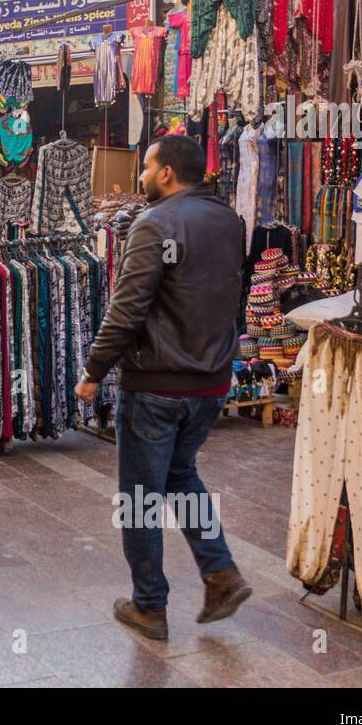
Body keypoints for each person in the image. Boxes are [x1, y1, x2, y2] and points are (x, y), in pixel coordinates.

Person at [74, 135, 249, 642]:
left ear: (168, 172)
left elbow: (126, 310)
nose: (141, 176)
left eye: (147, 167)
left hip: (158, 386)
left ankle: (150, 605)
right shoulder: (227, 221)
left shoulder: (154, 224)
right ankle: (220, 572)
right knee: (179, 475)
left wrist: (92, 371)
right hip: (211, 383)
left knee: (139, 499)